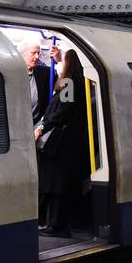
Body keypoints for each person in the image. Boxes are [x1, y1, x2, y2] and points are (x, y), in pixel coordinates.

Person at [34, 49, 90, 238]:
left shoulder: (69, 83)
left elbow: (61, 112)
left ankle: (56, 224)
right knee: (55, 183)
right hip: (66, 145)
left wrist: (41, 127)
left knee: (55, 184)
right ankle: (53, 222)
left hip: (61, 146)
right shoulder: (75, 83)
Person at [21, 42, 52, 125]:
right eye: (33, 53)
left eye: (39, 53)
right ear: (22, 54)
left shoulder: (44, 72)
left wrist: (58, 60)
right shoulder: (11, 73)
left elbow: (66, 81)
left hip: (35, 124)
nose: (37, 57)